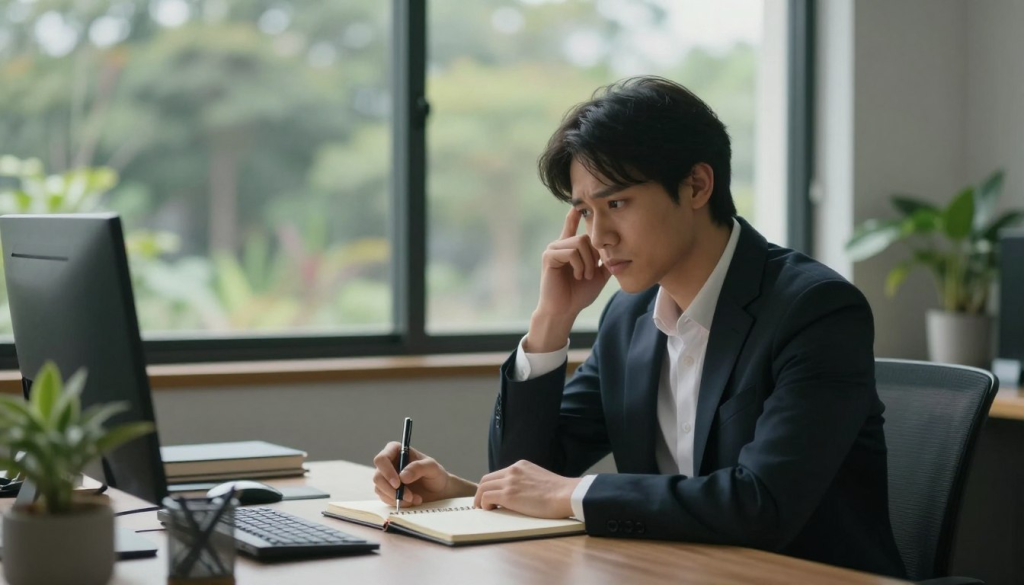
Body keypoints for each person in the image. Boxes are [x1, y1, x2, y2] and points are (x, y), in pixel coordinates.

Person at [372, 76, 905, 578]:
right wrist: (551, 322)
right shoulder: (629, 318)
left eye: (617, 203)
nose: (599, 235)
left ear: (696, 185)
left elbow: (761, 504)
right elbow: (532, 468)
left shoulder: (815, 310)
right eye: (585, 211)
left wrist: (571, 494)